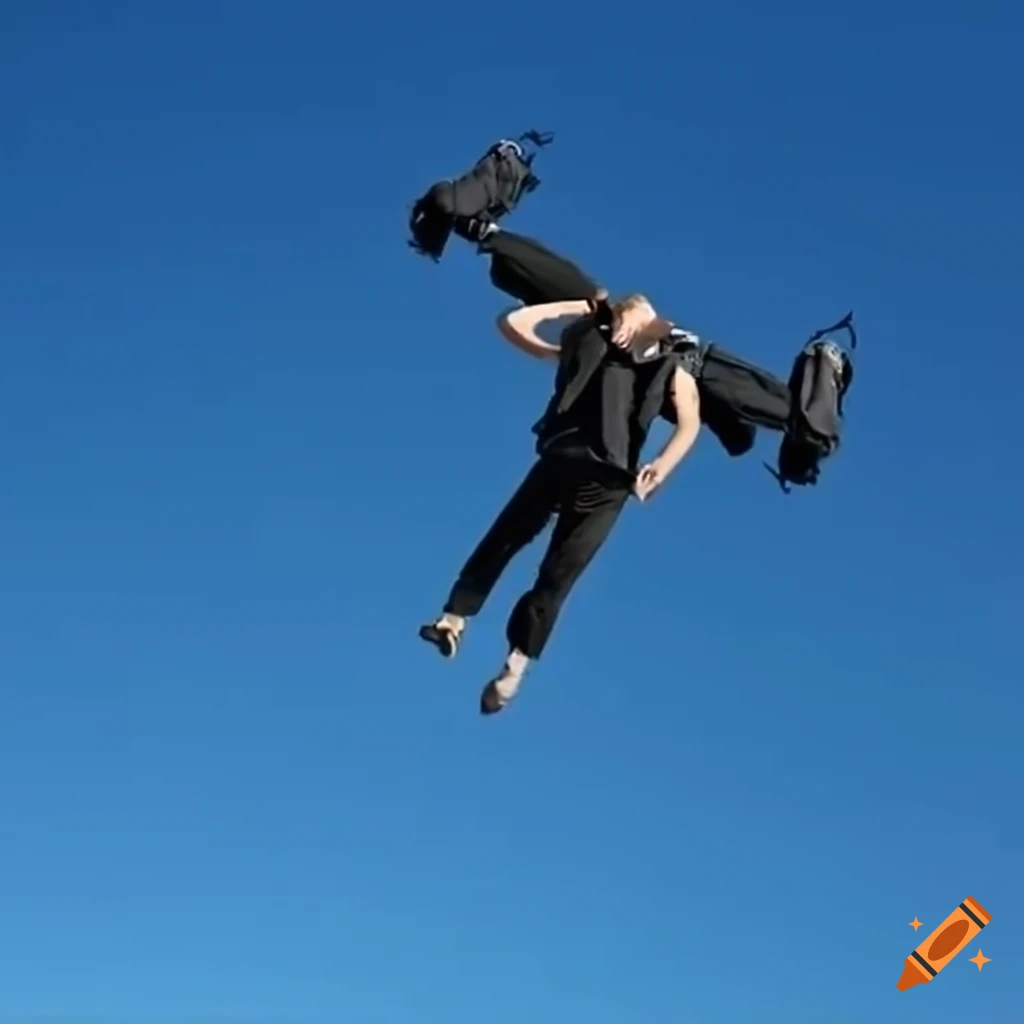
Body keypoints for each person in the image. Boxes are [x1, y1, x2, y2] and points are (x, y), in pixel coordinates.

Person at [418, 293, 702, 715]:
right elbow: (513, 324)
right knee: (507, 538)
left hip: (606, 477)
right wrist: (582, 306)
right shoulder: (582, 345)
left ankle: (514, 664)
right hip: (565, 459)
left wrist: (661, 466)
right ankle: (454, 620)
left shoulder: (667, 359)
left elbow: (689, 420)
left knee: (557, 571)